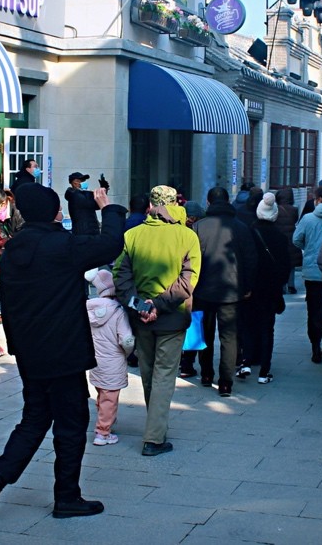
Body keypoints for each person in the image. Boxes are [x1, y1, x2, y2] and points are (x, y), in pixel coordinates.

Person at [0, 182, 126, 520]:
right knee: (71, 423)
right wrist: (108, 208)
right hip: (64, 351)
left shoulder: (13, 250)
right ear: (51, 212)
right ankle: (67, 496)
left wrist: (83, 211)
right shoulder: (60, 246)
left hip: (31, 353)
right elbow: (109, 244)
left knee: (34, 419)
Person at [113, 185, 200, 456]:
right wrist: (159, 305)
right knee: (164, 375)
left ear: (150, 206)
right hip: (172, 317)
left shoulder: (132, 235)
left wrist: (141, 305)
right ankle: (154, 436)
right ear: (175, 205)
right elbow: (188, 280)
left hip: (141, 318)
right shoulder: (188, 236)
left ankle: (156, 426)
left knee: (149, 373)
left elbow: (120, 276)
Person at [184, 186, 255, 395]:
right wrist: (247, 286)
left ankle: (206, 374)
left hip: (202, 290)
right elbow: (251, 259)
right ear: (228, 201)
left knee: (204, 332)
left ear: (208, 202)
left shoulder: (198, 227)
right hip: (232, 290)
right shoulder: (241, 227)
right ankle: (225, 382)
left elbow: (189, 260)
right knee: (229, 336)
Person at [86, 269, 135, 446]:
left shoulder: (88, 310)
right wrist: (127, 353)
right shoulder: (118, 311)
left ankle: (104, 423)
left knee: (102, 395)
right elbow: (127, 340)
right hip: (113, 361)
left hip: (95, 360)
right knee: (110, 398)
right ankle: (103, 433)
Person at [248, 193, 293, 383]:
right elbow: (286, 266)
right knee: (268, 328)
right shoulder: (280, 238)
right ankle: (264, 370)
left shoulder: (249, 233)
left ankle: (246, 361)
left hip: (251, 288)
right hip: (271, 289)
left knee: (248, 325)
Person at [293, 186, 322, 363]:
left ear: (319, 200)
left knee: (313, 310)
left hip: (312, 272)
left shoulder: (308, 218)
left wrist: (309, 249)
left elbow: (296, 239)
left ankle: (315, 348)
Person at [274, 188, 300, 294]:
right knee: (291, 264)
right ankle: (291, 285)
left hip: (279, 238)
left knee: (281, 263)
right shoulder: (294, 209)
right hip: (291, 237)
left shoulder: (276, 209)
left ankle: (282, 286)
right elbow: (295, 220)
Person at [64, 171, 101, 236]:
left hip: (92, 230)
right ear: (74, 182)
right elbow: (90, 203)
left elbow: (98, 205)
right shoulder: (73, 194)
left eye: (83, 180)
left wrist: (104, 190)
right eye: (80, 180)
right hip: (82, 232)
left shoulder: (84, 193)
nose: (83, 182)